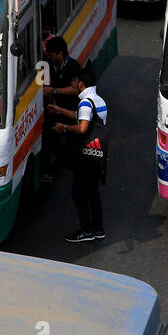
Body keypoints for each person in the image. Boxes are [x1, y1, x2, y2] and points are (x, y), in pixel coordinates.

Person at [49, 65, 108, 243]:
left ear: (81, 84)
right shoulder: (98, 100)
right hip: (98, 153)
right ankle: (98, 229)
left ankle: (86, 230)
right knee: (93, 192)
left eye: (75, 84)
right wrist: (61, 111)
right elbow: (84, 116)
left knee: (79, 192)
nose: (74, 87)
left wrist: (64, 127)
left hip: (85, 155)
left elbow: (82, 127)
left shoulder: (85, 102)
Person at [41, 36, 83, 184]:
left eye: (52, 55)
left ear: (60, 54)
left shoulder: (72, 66)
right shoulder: (47, 65)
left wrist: (53, 91)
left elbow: (74, 90)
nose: (50, 57)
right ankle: (46, 172)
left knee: (73, 140)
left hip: (69, 110)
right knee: (48, 140)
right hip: (54, 110)